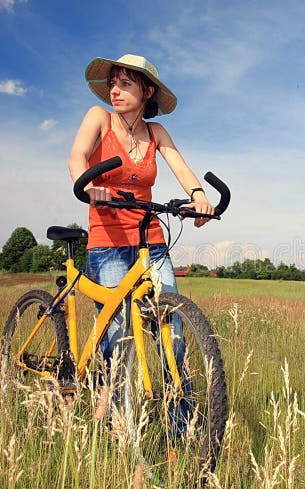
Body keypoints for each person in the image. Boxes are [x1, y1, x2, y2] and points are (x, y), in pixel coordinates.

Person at [68, 54, 214, 381]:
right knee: (118, 337)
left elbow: (180, 166)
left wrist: (199, 197)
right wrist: (89, 185)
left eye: (125, 84)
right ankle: (117, 421)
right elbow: (77, 156)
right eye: (112, 85)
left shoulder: (156, 132)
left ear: (147, 92)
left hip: (152, 242)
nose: (115, 92)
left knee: (171, 328)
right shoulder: (99, 118)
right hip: (108, 243)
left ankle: (180, 421)